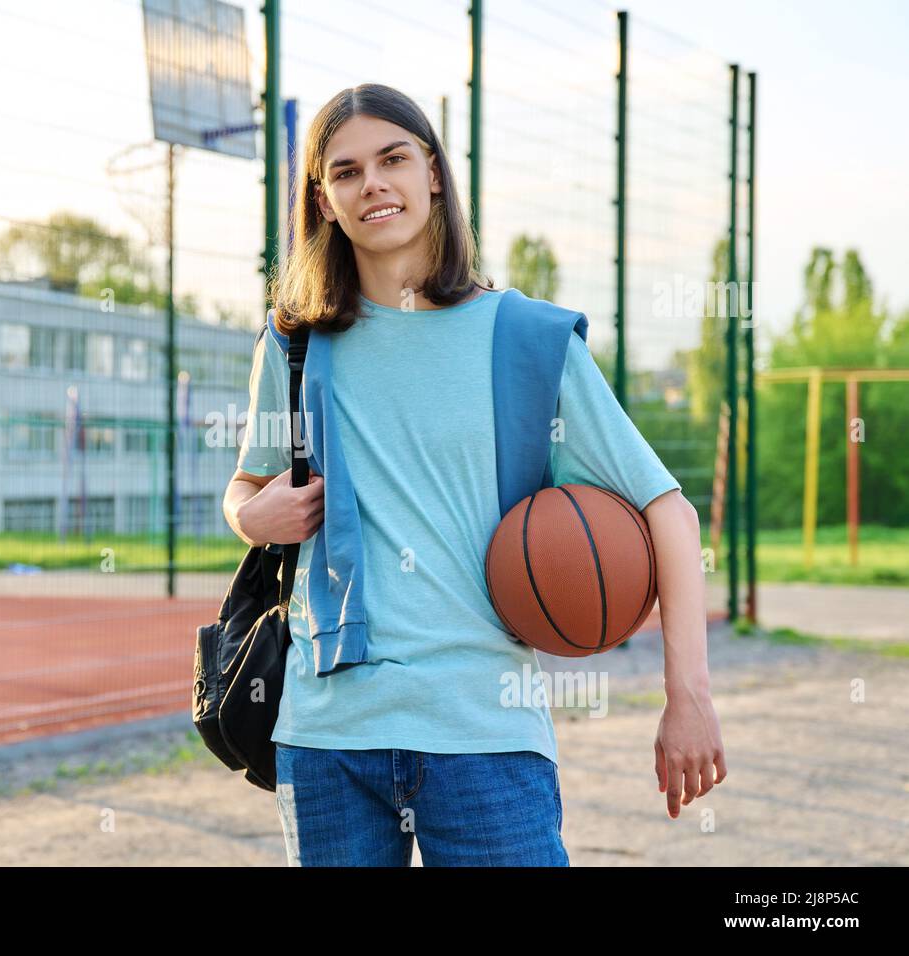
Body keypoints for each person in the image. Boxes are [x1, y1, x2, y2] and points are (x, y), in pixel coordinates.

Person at [222, 83, 726, 867]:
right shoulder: (294, 345)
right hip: (327, 735)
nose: (374, 185)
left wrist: (687, 696)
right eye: (347, 172)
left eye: (393, 159)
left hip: (484, 729)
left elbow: (669, 511)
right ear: (323, 200)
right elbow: (247, 491)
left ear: (433, 174)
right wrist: (253, 520)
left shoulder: (527, 338)